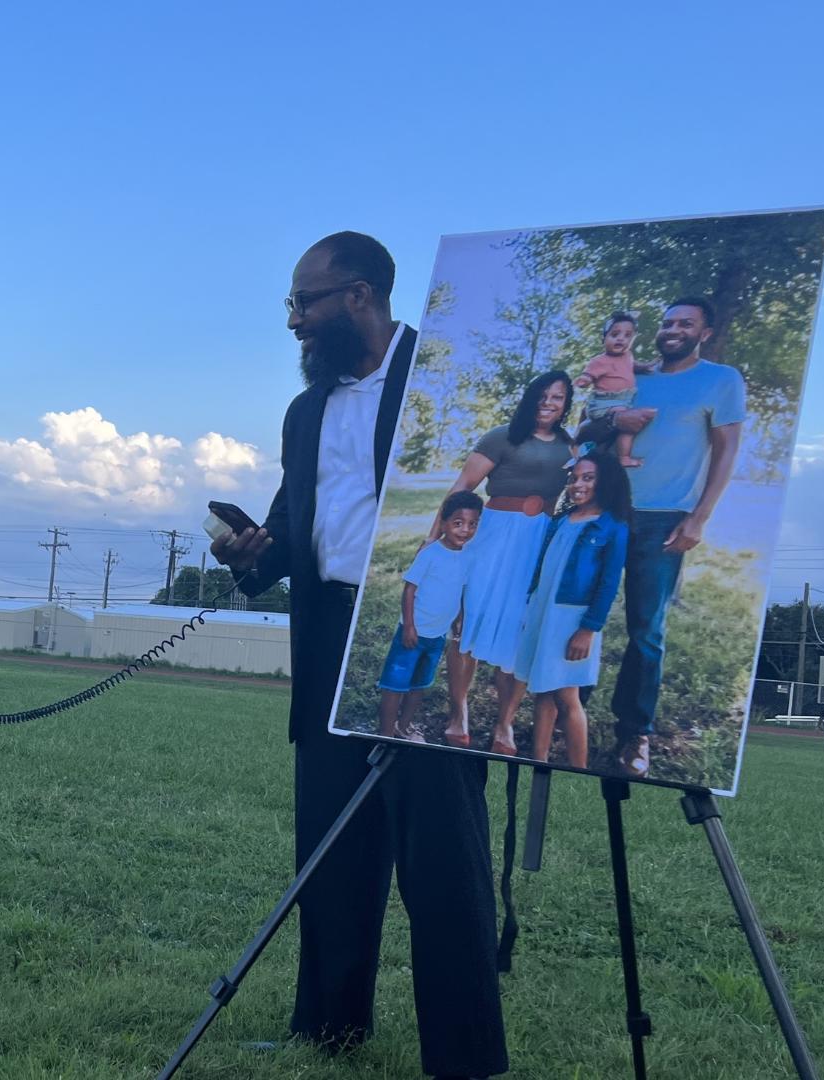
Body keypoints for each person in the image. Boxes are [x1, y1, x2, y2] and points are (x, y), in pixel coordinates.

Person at [213, 231, 508, 1079]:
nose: (295, 323)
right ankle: (329, 1027)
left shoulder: (442, 384)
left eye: (305, 303)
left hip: (418, 628)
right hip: (327, 634)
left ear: (360, 296)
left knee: (441, 854)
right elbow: (295, 526)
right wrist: (253, 554)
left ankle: (465, 1055)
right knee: (332, 849)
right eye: (292, 306)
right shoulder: (306, 411)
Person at [591, 297, 746, 779]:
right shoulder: (629, 374)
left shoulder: (721, 380)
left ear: (705, 333)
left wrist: (699, 517)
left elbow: (726, 452)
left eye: (687, 323)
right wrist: (617, 419)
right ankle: (562, 707)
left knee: (646, 630)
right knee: (576, 610)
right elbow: (587, 427)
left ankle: (634, 733)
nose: (674, 329)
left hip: (662, 519)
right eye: (668, 322)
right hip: (603, 509)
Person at [435, 372, 577, 753]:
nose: (549, 402)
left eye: (558, 397)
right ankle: (458, 712)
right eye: (543, 395)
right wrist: (433, 538)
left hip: (538, 541)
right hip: (493, 534)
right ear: (530, 398)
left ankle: (505, 724)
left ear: (566, 404)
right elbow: (461, 487)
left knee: (520, 628)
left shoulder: (570, 446)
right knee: (469, 619)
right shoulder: (502, 436)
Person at [511, 452, 632, 768]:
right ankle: (539, 761)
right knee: (542, 688)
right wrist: (529, 605)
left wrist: (588, 628)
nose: (577, 484)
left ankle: (579, 768)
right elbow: (542, 568)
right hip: (543, 612)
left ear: (605, 482)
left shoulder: (612, 527)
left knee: (567, 696)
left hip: (572, 620)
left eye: (587, 477)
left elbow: (608, 585)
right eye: (574, 478)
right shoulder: (561, 521)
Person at [378, 492, 483, 742]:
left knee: (419, 685)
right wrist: (409, 626)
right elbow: (409, 590)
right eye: (458, 523)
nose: (465, 530)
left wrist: (458, 617)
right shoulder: (430, 554)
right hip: (412, 634)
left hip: (437, 637)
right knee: (395, 685)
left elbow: (459, 590)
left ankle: (403, 727)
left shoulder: (467, 556)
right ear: (444, 523)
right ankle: (384, 733)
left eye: (472, 524)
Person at [574, 313, 651, 468]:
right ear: (604, 338)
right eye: (615, 334)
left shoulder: (628, 356)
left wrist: (645, 367)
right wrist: (584, 380)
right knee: (627, 423)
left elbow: (632, 366)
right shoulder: (600, 360)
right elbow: (589, 374)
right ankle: (624, 457)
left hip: (622, 400)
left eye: (627, 335)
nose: (621, 339)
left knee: (626, 425)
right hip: (603, 403)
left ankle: (593, 454)